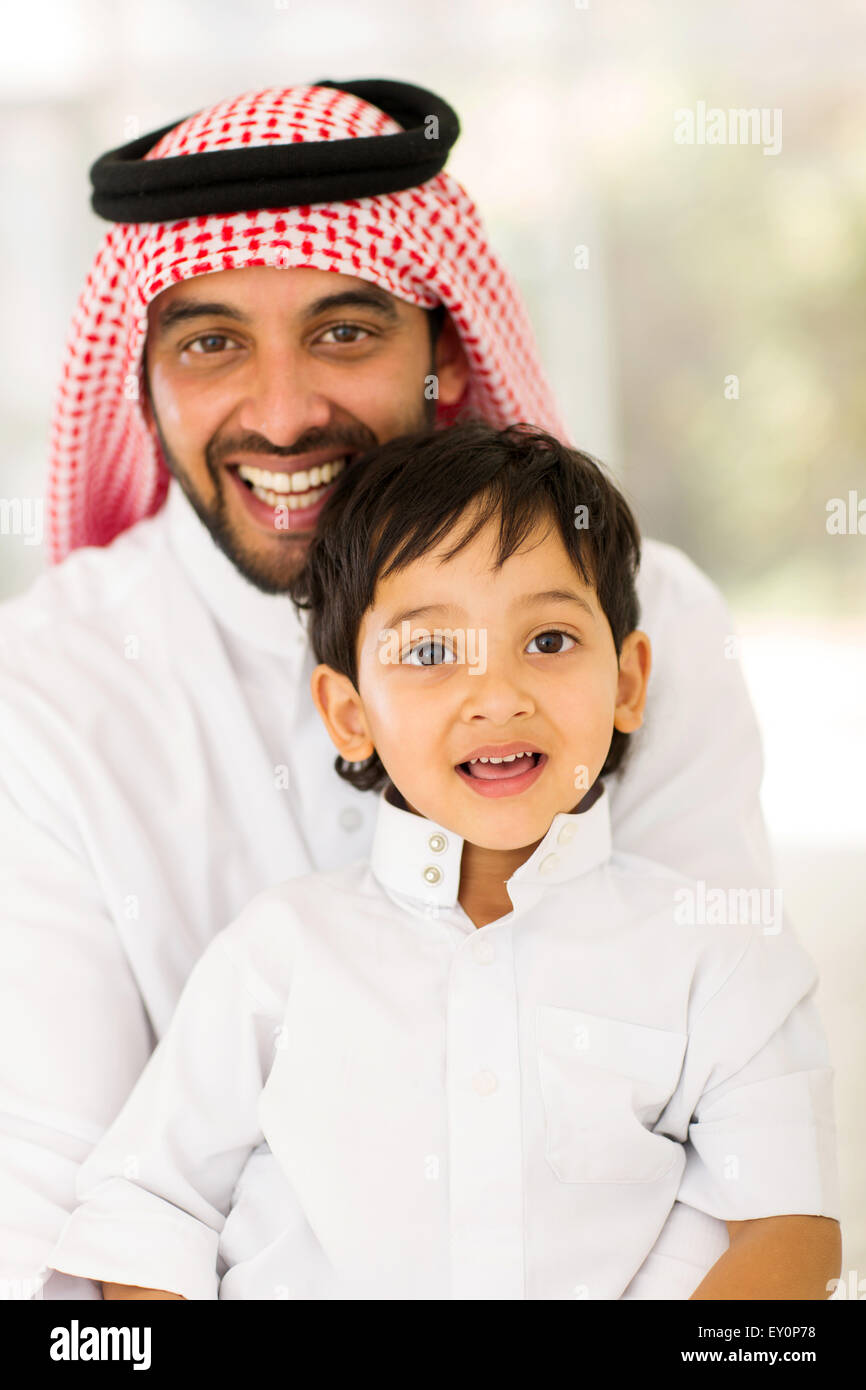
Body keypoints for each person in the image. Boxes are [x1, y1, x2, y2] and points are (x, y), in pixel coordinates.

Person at [0, 79, 813, 1301]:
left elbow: (734, 1171)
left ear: (442, 354)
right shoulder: (45, 688)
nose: (283, 415)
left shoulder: (656, 625)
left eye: (344, 332)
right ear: (144, 377)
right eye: (211, 341)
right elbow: (63, 1215)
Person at [44, 422, 841, 1301]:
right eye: (428, 653)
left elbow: (791, 1237)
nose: (496, 696)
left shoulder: (722, 962)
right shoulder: (278, 955)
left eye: (548, 642)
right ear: (348, 714)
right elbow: (148, 1212)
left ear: (626, 683)